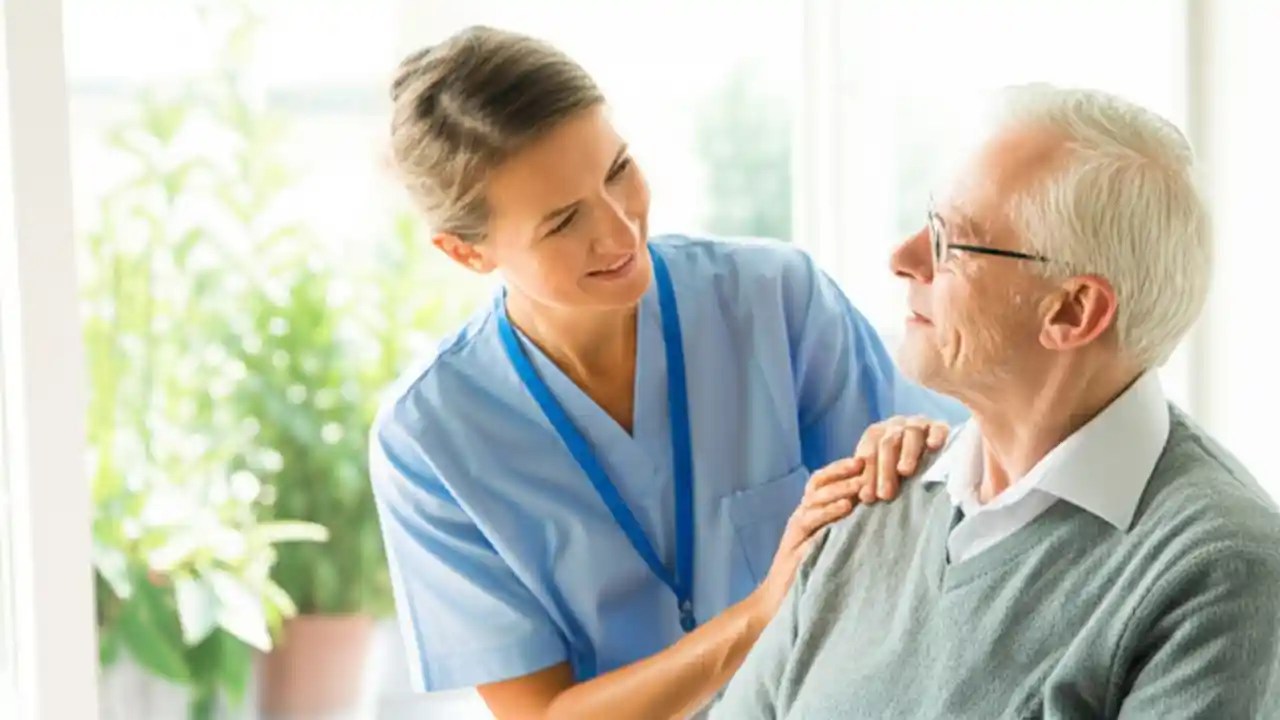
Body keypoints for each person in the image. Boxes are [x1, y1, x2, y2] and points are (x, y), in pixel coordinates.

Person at [368, 25, 966, 720]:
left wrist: (917, 449)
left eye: (618, 170)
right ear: (466, 254)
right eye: (563, 222)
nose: (621, 232)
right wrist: (762, 612)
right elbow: (544, 714)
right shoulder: (430, 439)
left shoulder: (776, 299)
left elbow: (937, 516)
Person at [712, 83, 1280, 719]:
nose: (902, 259)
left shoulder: (1220, 569)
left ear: (1072, 310)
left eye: (951, 243)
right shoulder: (877, 501)